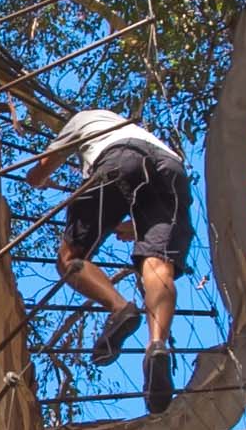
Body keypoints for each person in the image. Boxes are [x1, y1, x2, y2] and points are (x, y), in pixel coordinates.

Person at [36, 101, 190, 410]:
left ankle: (120, 308)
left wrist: (37, 180)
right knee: (158, 263)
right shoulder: (139, 130)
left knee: (69, 257)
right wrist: (132, 225)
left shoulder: (81, 119)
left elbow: (44, 166)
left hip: (121, 160)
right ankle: (157, 345)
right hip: (172, 171)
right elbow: (147, 184)